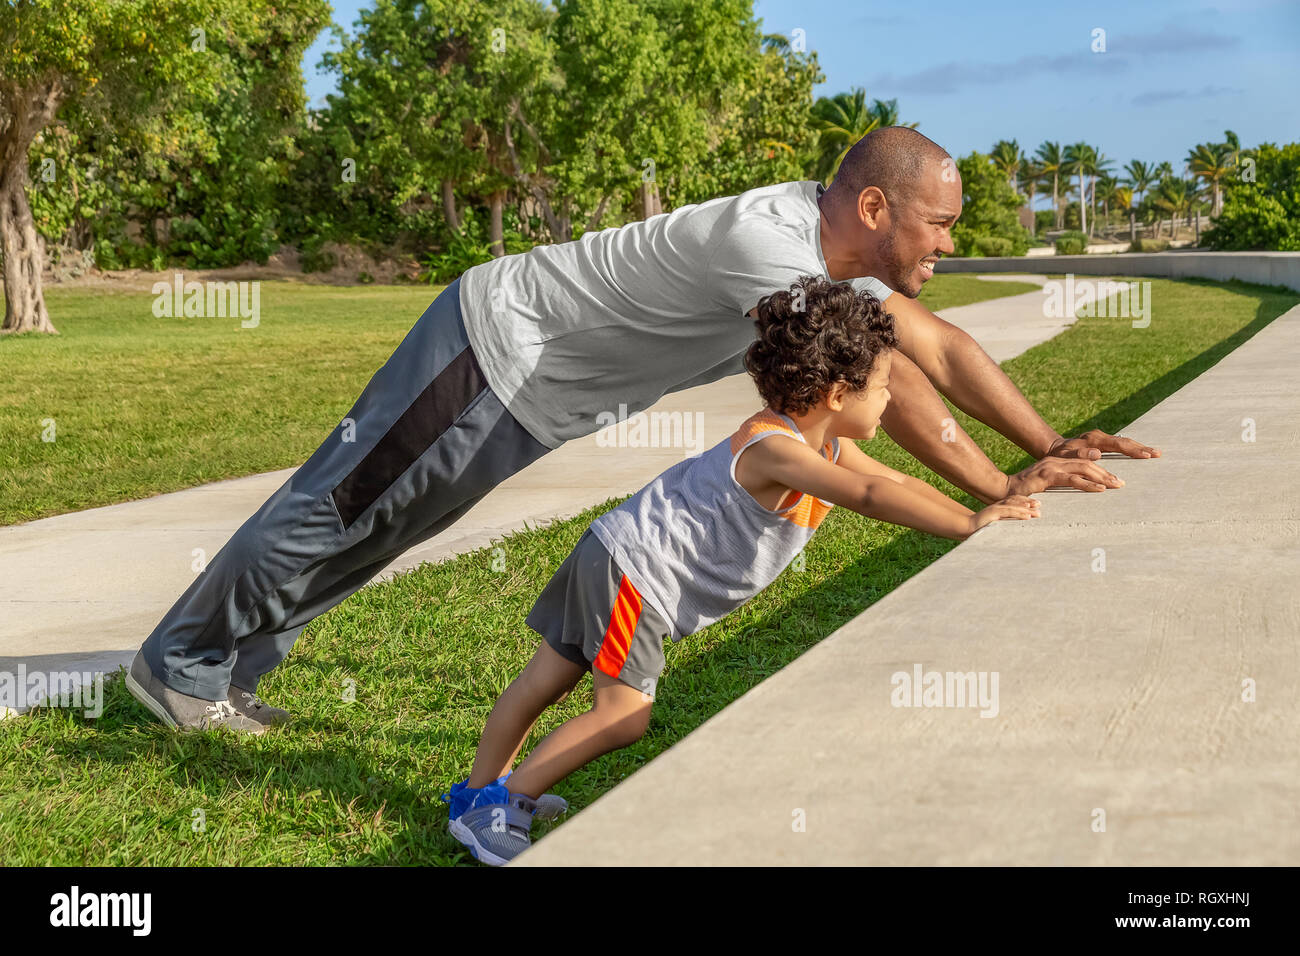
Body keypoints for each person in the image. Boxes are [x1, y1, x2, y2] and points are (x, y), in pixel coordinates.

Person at [125, 126, 1150, 733]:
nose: (950, 242)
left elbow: (944, 347)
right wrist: (988, 493)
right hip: (493, 348)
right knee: (340, 505)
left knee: (386, 527)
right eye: (941, 223)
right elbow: (892, 381)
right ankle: (176, 665)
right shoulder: (774, 247)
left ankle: (228, 673)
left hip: (531, 397)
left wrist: (1049, 444)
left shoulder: (832, 261)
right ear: (876, 207)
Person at [445, 276, 1041, 865]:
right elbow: (868, 494)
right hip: (634, 576)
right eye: (883, 386)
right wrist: (967, 527)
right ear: (837, 393)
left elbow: (896, 481)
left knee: (545, 683)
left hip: (613, 552)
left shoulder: (823, 445)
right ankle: (500, 808)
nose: (890, 400)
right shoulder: (774, 449)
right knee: (623, 716)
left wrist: (981, 510)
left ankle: (480, 795)